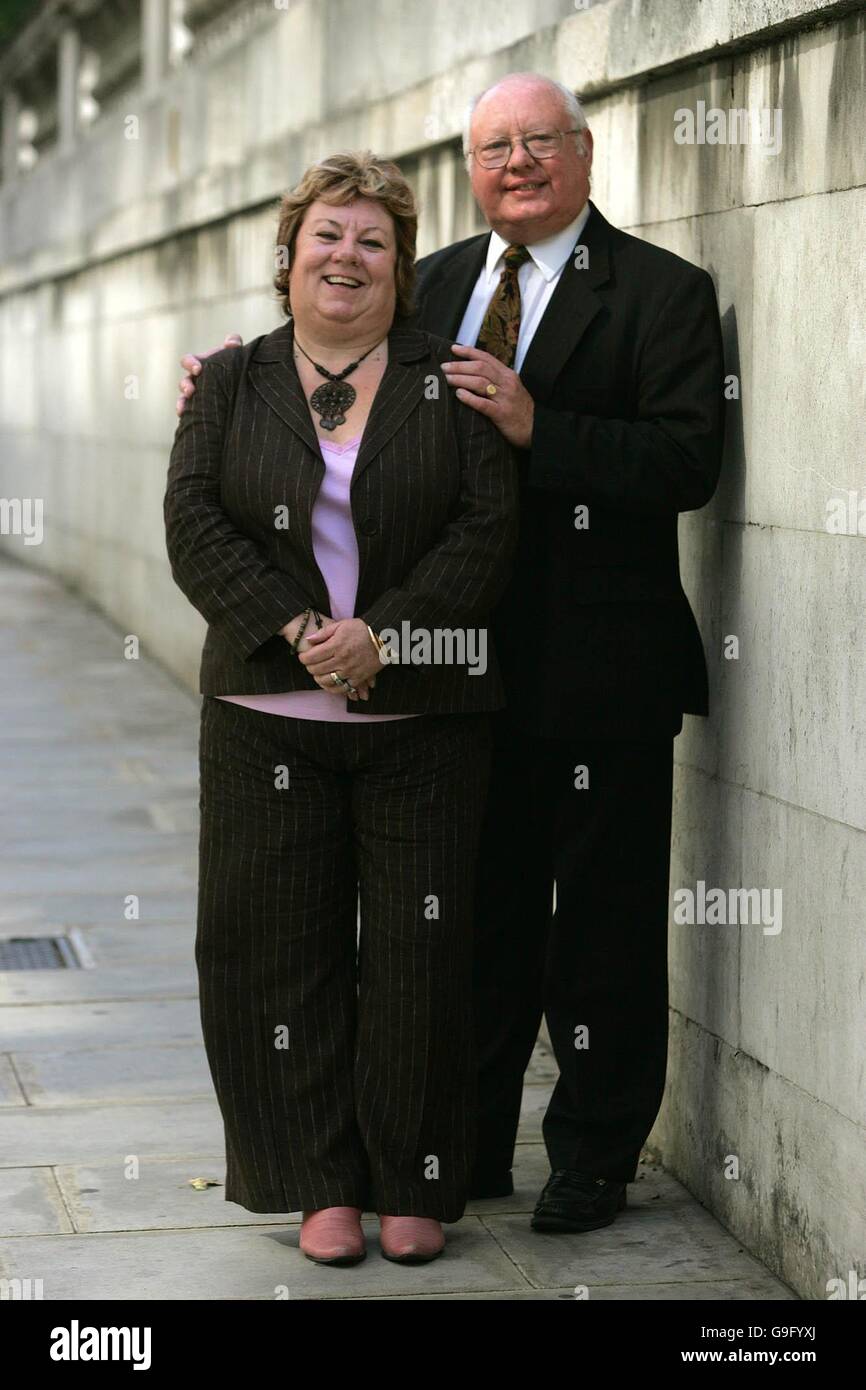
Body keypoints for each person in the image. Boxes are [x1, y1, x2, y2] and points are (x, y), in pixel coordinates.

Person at [176, 72, 726, 1236]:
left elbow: (685, 464)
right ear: (467, 171)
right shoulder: (425, 283)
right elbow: (323, 359)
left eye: (539, 142)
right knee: (464, 934)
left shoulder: (663, 294)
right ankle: (457, 1154)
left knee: (601, 934)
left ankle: (589, 1155)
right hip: (446, 683)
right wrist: (234, 386)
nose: (516, 163)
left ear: (583, 153)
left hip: (595, 674)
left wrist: (539, 428)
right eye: (492, 148)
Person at [164, 151, 518, 1266]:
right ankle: (315, 1179)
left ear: (400, 267)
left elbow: (484, 529)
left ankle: (411, 1178)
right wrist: (297, 629)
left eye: (372, 240)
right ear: (289, 253)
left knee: (421, 951)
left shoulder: (448, 377)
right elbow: (191, 525)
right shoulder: (228, 380)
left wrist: (383, 636)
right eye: (327, 234)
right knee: (276, 951)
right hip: (266, 714)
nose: (347, 255)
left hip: (424, 719)